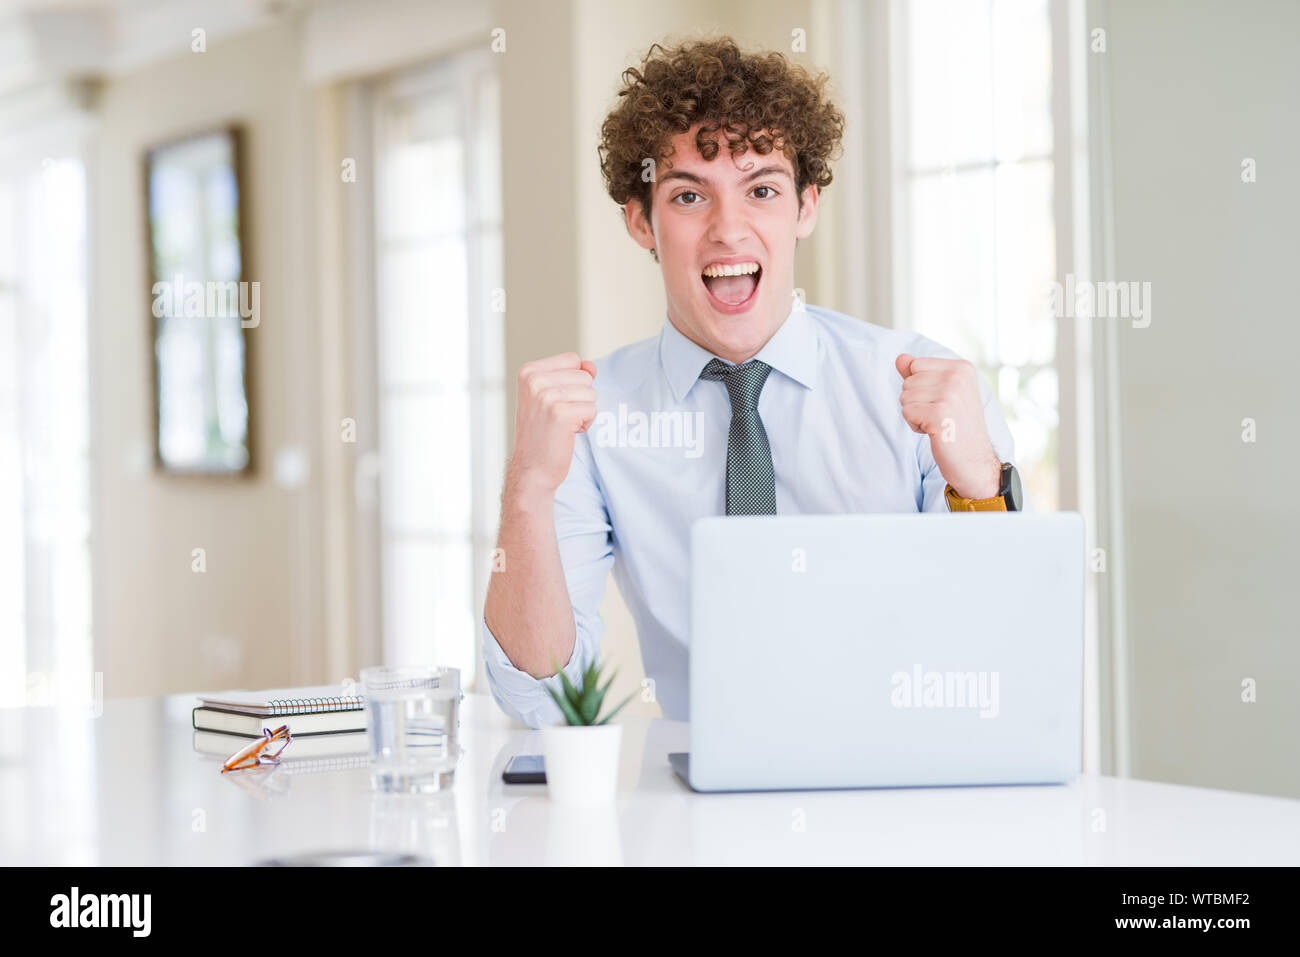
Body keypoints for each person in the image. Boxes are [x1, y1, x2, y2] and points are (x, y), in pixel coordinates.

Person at [482, 36, 1024, 728]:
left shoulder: (920, 388)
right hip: (693, 809)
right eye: (688, 196)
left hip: (900, 800)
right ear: (641, 222)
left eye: (762, 189)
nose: (729, 230)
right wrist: (527, 487)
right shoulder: (595, 419)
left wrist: (978, 483)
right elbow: (541, 698)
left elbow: (1002, 648)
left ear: (804, 208)